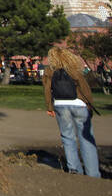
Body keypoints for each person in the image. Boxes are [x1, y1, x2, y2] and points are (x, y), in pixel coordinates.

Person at [43, 42, 101, 177]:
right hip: (79, 104)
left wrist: (49, 107)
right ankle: (93, 173)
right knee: (86, 138)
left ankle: (74, 169)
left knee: (67, 137)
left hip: (60, 105)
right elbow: (85, 89)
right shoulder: (73, 70)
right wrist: (89, 105)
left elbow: (47, 90)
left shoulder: (49, 71)